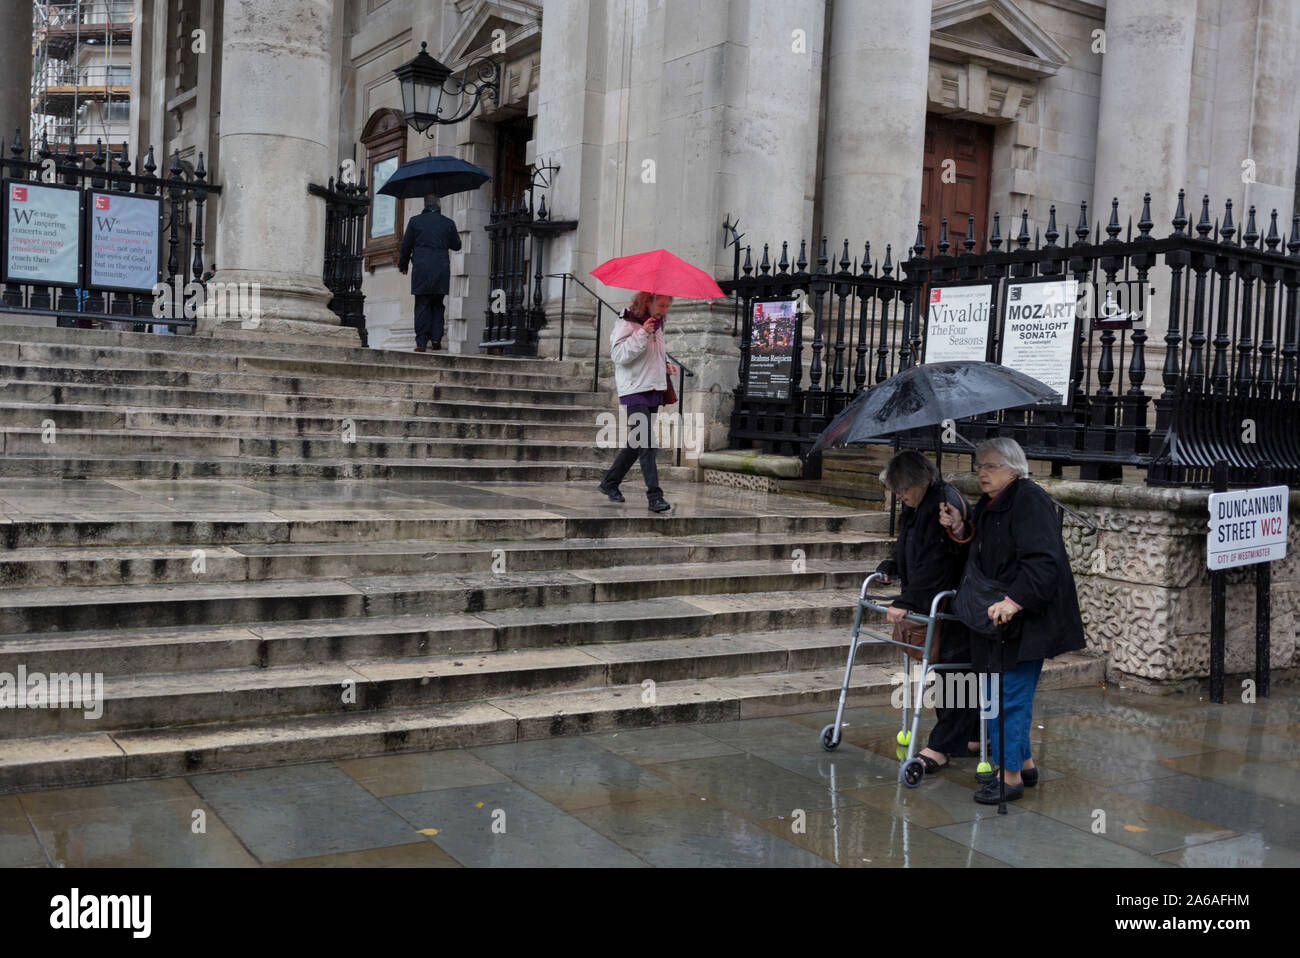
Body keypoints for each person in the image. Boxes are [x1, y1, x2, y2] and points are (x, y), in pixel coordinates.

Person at [938, 437, 1085, 804]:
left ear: (1013, 467)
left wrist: (1015, 601)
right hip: (998, 617)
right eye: (979, 466)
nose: (981, 473)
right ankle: (1026, 764)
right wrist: (960, 526)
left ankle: (1011, 778)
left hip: (1023, 619)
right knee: (1003, 693)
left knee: (1008, 696)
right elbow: (987, 551)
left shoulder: (1029, 499)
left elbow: (1045, 562)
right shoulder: (993, 503)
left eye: (990, 466)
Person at [875, 450, 979, 774]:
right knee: (947, 669)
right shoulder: (917, 504)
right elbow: (909, 544)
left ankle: (942, 746)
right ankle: (968, 737)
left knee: (955, 669)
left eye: (903, 488)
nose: (899, 495)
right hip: (935, 597)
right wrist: (893, 565)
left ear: (919, 481)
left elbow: (939, 562)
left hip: (954, 601)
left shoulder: (944, 503)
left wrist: (908, 602)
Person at [598, 291, 678, 512]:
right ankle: (655, 497)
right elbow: (619, 357)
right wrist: (642, 333)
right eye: (662, 305)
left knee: (637, 443)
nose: (664, 310)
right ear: (647, 303)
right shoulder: (626, 323)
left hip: (653, 387)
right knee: (647, 443)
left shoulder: (657, 324)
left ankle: (609, 483)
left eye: (667, 306)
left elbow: (657, 352)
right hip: (634, 389)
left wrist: (667, 364)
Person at [398, 193, 461, 351]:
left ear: (424, 205)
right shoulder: (448, 223)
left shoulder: (415, 222)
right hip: (441, 269)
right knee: (438, 304)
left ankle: (421, 342)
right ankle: (436, 339)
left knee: (422, 304)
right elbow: (457, 245)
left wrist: (403, 265)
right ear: (439, 204)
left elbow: (406, 247)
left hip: (422, 269)